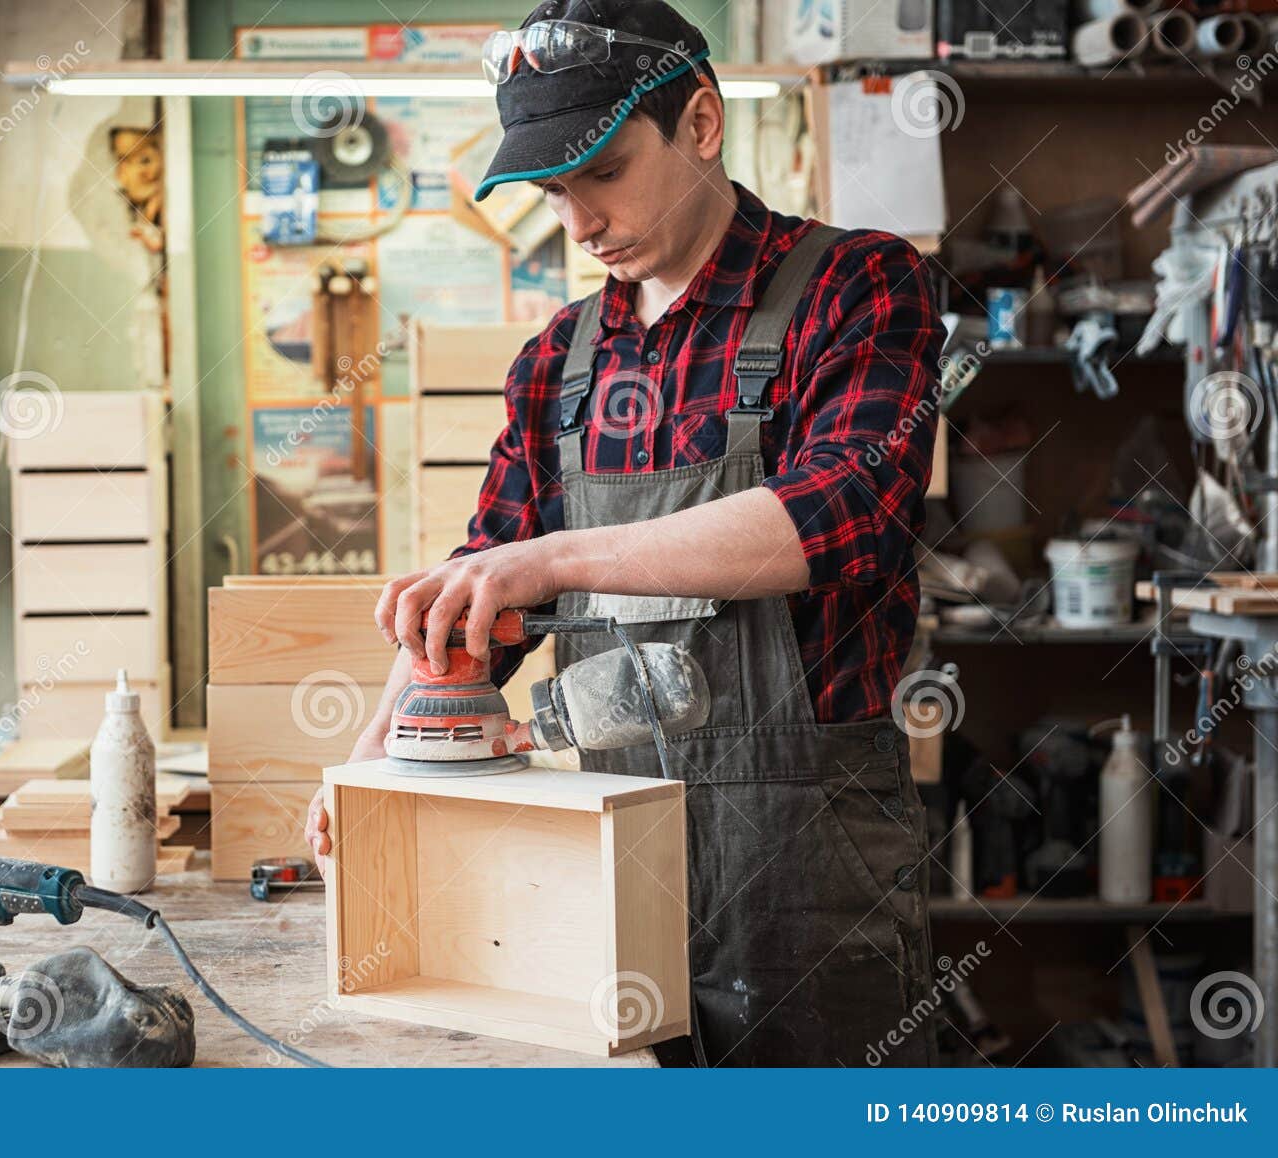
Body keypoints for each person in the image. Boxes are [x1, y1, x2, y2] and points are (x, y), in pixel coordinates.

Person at [307, 0, 944, 1067]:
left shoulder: (855, 284)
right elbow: (486, 599)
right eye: (555, 191)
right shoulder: (557, 361)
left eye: (602, 171)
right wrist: (376, 767)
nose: (580, 220)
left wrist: (552, 558)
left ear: (699, 123)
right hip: (599, 849)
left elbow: (849, 513)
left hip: (804, 862)